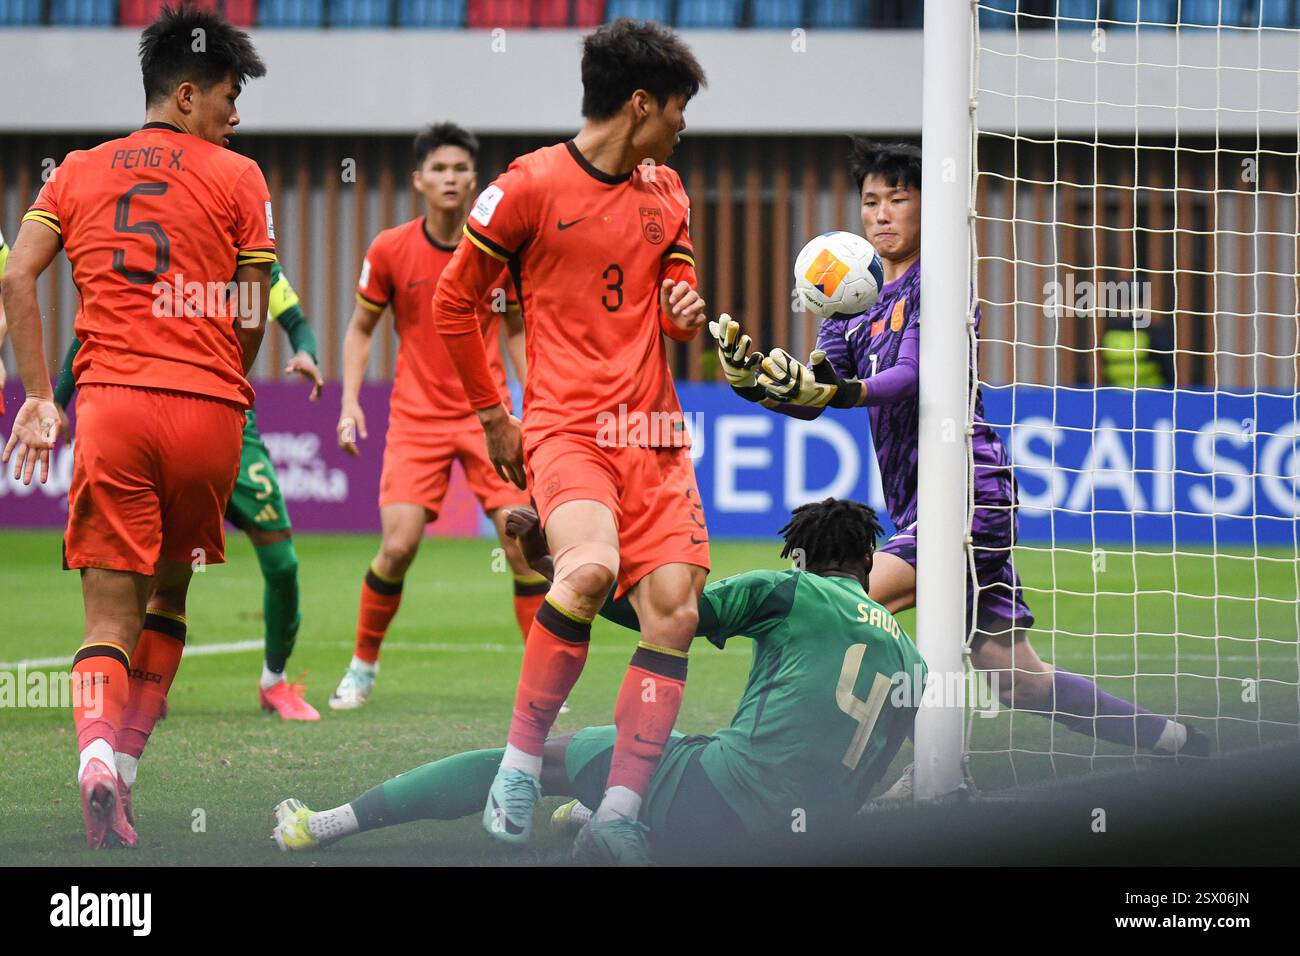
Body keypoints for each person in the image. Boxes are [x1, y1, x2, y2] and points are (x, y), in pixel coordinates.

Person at [716, 140, 1207, 796]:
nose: (881, 213)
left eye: (899, 197)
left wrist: (831, 391)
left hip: (969, 492)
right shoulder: (849, 300)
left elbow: (911, 376)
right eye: (871, 201)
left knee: (844, 605)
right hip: (920, 505)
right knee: (1016, 677)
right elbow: (817, 394)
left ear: (930, 204)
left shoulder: (940, 281)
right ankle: (1178, 742)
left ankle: (865, 776)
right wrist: (754, 384)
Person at [271, 498, 926, 865]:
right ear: (870, 563)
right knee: (687, 748)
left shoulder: (791, 589)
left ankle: (322, 825)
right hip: (802, 839)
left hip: (719, 798)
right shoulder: (916, 667)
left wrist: (560, 569)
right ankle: (602, 814)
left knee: (533, 761)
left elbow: (667, 615)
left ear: (801, 556)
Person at [431, 20, 709, 863]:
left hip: (656, 437)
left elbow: (674, 285)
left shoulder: (668, 190)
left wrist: (684, 309)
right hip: (567, 429)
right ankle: (517, 766)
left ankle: (620, 809)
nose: (683, 125)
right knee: (586, 573)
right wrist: (492, 416)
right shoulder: (526, 187)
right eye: (676, 109)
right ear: (639, 104)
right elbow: (455, 303)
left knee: (675, 613)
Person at [2, 5, 274, 847]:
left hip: (113, 406)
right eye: (229, 97)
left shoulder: (76, 170)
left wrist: (41, 396)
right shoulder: (240, 178)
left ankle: (90, 759)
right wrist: (229, 369)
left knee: (103, 623)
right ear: (186, 93)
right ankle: (124, 773)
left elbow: (17, 277)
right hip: (208, 412)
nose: (237, 115)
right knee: (169, 596)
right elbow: (255, 308)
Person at [52, 260, 324, 720]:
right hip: (151, 413)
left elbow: (293, 320)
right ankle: (140, 680)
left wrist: (306, 353)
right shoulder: (150, 257)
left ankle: (274, 682)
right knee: (155, 563)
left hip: (229, 422)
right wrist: (56, 399)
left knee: (282, 561)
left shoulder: (255, 265)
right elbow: (91, 327)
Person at [329, 123, 540, 711]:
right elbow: (361, 329)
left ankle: (539, 682)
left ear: (475, 179)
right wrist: (348, 404)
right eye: (438, 169)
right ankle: (362, 669)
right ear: (419, 179)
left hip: (490, 418)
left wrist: (536, 403)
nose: (450, 178)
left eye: (460, 169)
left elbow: (519, 333)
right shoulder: (390, 249)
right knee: (398, 546)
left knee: (522, 542)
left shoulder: (501, 253)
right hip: (417, 419)